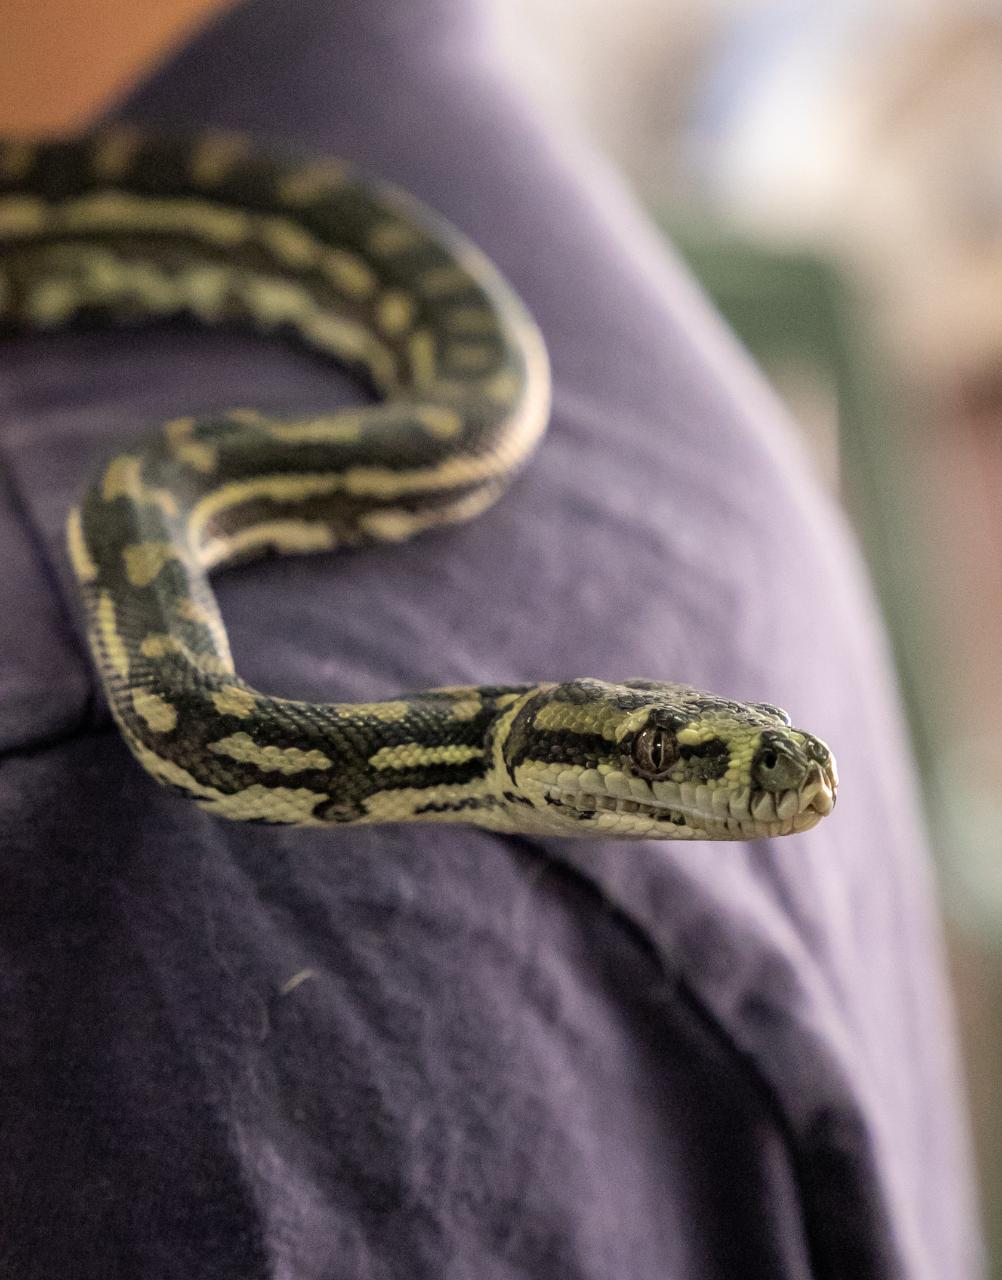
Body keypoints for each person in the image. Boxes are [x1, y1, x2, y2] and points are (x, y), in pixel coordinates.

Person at [0, 0, 981, 1275]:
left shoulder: (93, 816)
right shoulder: (583, 301)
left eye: (671, 753)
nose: (757, 776)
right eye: (669, 752)